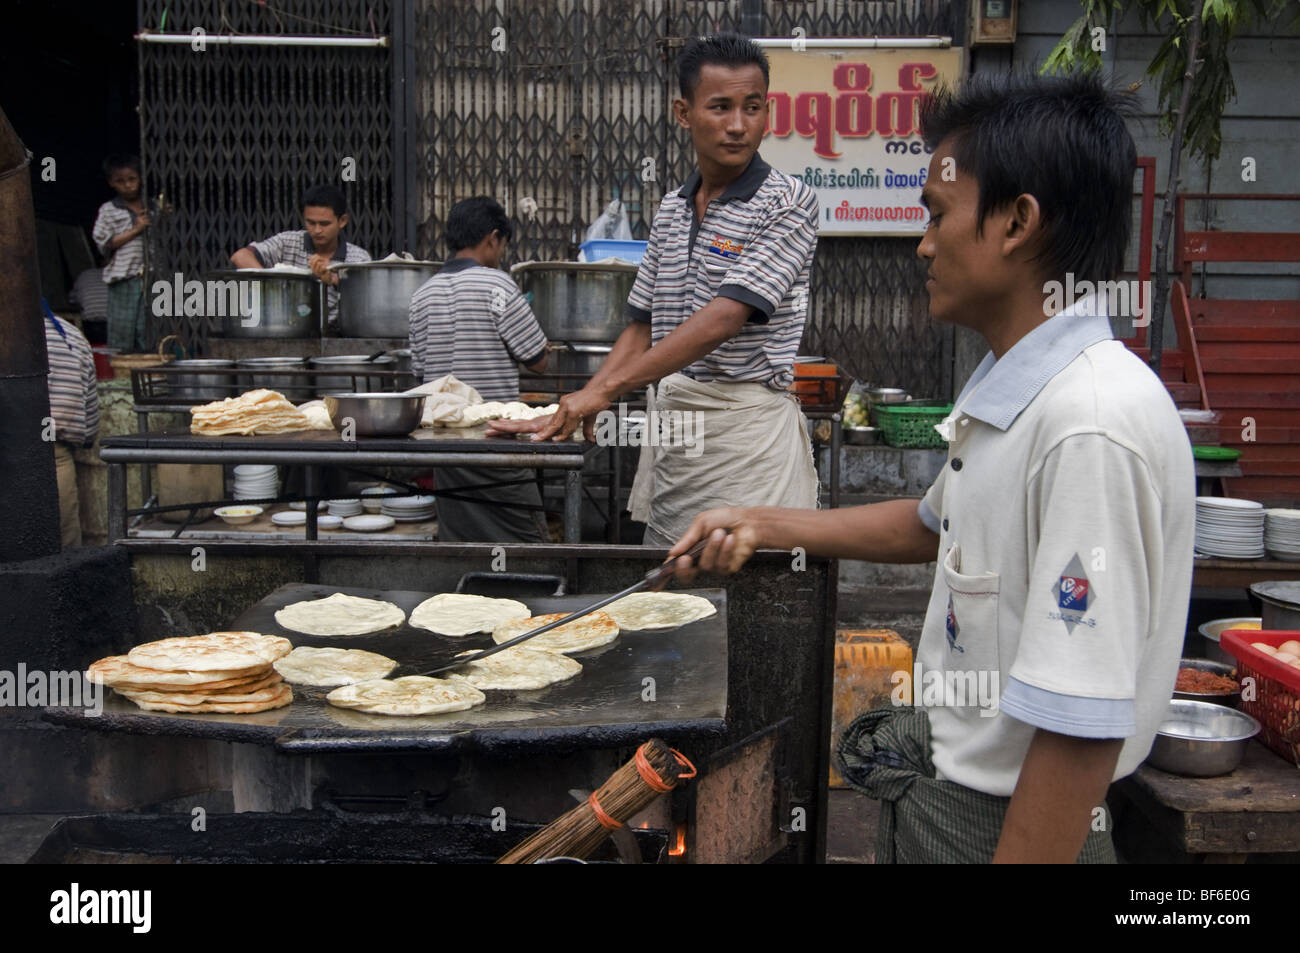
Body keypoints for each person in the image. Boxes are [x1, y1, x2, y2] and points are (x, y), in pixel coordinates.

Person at [666, 72, 1195, 863]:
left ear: (1016, 223)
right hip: (942, 793)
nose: (922, 243)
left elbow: (1076, 731)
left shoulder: (1090, 421)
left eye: (938, 215)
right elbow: (929, 523)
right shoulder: (1012, 386)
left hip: (1009, 828)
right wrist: (763, 519)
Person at [490, 33, 820, 545]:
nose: (738, 125)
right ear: (684, 113)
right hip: (676, 432)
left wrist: (602, 391)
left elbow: (724, 318)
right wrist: (583, 400)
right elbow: (641, 326)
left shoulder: (788, 203)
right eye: (720, 107)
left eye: (752, 108)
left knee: (750, 594)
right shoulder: (671, 209)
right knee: (672, 596)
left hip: (748, 436)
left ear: (767, 111)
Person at [408, 195, 551, 542]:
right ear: (492, 238)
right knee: (525, 537)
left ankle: (467, 591)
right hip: (495, 438)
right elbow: (538, 361)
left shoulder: (421, 295)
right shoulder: (497, 285)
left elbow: (419, 375)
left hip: (442, 441)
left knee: (461, 536)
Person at [230, 184, 370, 326]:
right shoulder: (287, 242)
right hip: (285, 328)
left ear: (342, 221)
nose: (317, 230)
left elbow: (367, 303)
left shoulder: (359, 258)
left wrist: (334, 279)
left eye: (324, 224)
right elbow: (240, 257)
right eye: (310, 222)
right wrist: (273, 283)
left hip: (337, 335)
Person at [43, 299, 101, 548]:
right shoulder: (72, 336)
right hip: (56, 455)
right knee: (64, 548)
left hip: (11, 448)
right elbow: (90, 417)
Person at [91, 155, 152, 352]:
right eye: (120, 181)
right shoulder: (108, 210)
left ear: (140, 179)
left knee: (149, 331)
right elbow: (104, 243)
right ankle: (123, 374)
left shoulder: (152, 207)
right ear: (111, 183)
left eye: (132, 179)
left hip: (152, 278)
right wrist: (137, 229)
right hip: (123, 278)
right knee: (122, 332)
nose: (127, 185)